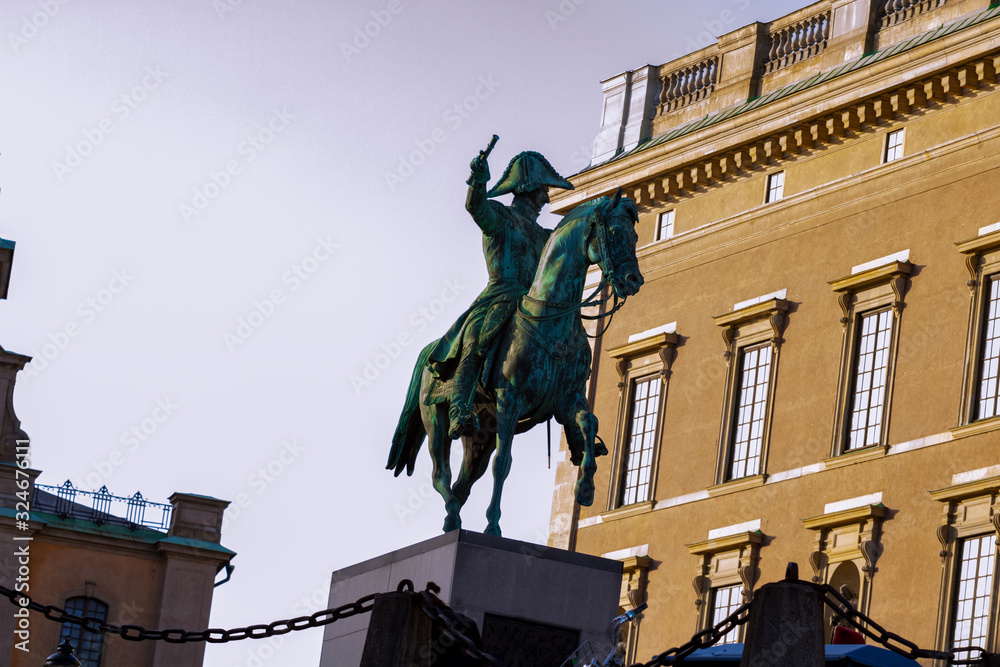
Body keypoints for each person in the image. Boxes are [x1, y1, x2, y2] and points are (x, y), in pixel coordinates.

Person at [428, 144, 574, 439]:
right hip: (499, 296)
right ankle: (459, 408)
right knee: (478, 339)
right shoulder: (500, 216)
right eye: (543, 189)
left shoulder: (545, 235)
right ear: (529, 187)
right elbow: (475, 206)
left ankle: (573, 420)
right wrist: (478, 180)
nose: (547, 197)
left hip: (532, 304)